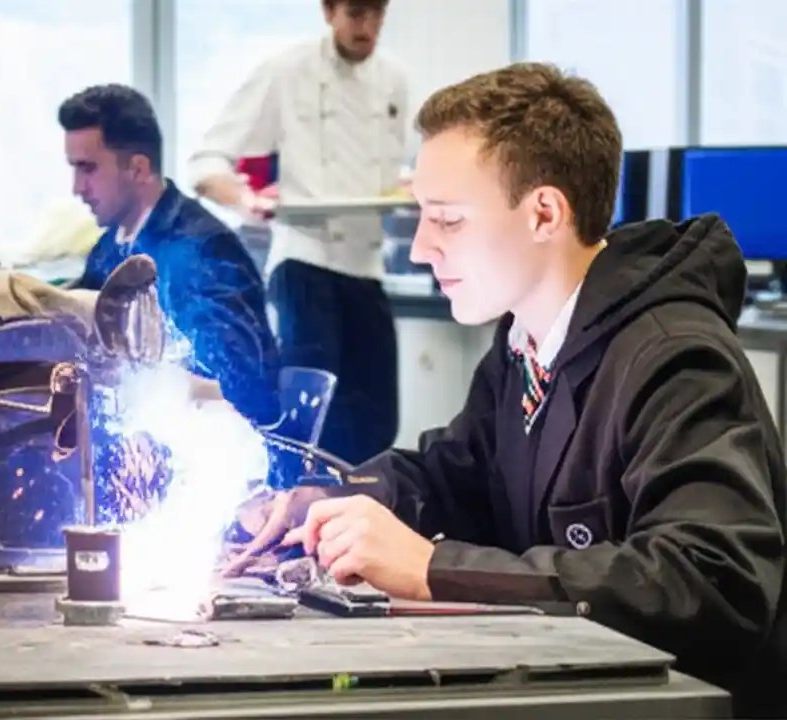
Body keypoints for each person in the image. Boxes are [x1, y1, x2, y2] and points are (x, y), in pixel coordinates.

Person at [230, 62, 787, 717]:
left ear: (544, 212)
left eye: (447, 219)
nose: (419, 249)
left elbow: (711, 581)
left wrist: (433, 570)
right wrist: (333, 502)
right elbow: (457, 475)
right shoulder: (524, 341)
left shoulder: (675, 356)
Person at [189, 0, 407, 465]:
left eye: (376, 14)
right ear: (329, 11)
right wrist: (247, 199)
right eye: (355, 13)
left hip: (368, 267)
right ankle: (298, 519)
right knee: (309, 421)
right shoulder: (287, 72)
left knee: (378, 421)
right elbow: (206, 165)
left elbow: (394, 176)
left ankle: (362, 519)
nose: (366, 26)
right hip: (304, 261)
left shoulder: (394, 80)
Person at [55, 83, 280, 427]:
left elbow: (238, 388)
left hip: (215, 455)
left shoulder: (202, 253)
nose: (77, 188)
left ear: (139, 169)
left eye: (88, 169)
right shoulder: (111, 246)